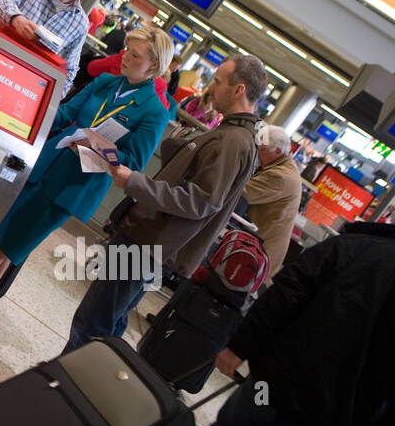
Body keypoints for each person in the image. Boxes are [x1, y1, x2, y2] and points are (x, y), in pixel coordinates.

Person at [0, 26, 175, 328]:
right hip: (47, 163)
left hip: (73, 187)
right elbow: (64, 113)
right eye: (126, 49)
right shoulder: (106, 82)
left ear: (153, 65)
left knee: (6, 243)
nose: (124, 57)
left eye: (134, 55)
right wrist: (22, 118)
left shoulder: (154, 112)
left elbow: (132, 161)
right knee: (9, 236)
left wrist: (97, 145)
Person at [203, 204, 395, 426]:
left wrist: (239, 347)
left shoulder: (352, 246)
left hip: (274, 382)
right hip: (330, 421)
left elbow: (284, 295)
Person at [63, 55, 266, 352]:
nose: (211, 88)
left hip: (149, 242)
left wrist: (134, 182)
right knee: (110, 320)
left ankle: (64, 385)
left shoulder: (233, 140)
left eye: (219, 82)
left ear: (239, 90)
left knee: (93, 321)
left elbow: (200, 201)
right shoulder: (232, 135)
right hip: (152, 241)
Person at [242, 124, 303, 285]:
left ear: (277, 151)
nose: (257, 151)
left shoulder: (281, 176)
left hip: (256, 252)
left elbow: (243, 192)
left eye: (261, 148)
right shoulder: (279, 166)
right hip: (255, 246)